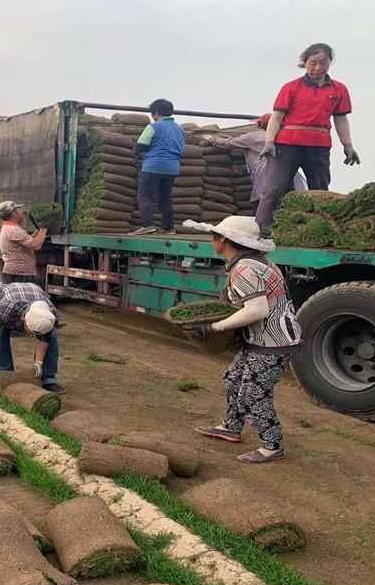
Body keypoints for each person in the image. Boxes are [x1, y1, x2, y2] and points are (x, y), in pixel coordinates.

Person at [182, 215, 302, 463]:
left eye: (214, 237)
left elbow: (257, 310)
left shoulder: (245, 268)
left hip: (274, 343)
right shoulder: (255, 262)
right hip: (261, 339)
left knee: (253, 395)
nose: (212, 241)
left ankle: (272, 446)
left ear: (224, 240)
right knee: (232, 380)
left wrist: (215, 327)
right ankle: (230, 427)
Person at [255, 42, 360, 237]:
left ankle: (322, 231)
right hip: (287, 145)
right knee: (274, 189)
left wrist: (348, 145)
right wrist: (269, 142)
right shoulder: (291, 87)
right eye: (313, 63)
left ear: (330, 63)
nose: (318, 68)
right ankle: (262, 229)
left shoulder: (339, 89)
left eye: (323, 63)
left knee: (320, 190)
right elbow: (276, 117)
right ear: (304, 63)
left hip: (319, 147)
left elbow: (341, 119)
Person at [203, 114, 307, 214]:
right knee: (291, 204)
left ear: (261, 124)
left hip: (266, 175)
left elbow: (229, 143)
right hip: (290, 174)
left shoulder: (254, 137)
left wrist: (211, 139)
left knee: (264, 205)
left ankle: (264, 228)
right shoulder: (283, 137)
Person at [0, 282, 65, 394]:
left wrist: (39, 363)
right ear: (24, 320)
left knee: (52, 337)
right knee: (0, 336)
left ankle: (49, 379)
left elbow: (45, 338)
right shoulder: (4, 311)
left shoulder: (51, 315)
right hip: (4, 296)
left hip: (35, 293)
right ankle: (4, 376)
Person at [129, 98, 185, 236]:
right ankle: (168, 227)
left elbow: (141, 145)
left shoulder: (154, 127)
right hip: (172, 168)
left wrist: (135, 151)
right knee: (164, 198)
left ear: (156, 113)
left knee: (144, 195)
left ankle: (147, 225)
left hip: (154, 166)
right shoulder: (180, 129)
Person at [0, 201, 47, 284]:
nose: (22, 211)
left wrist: (39, 229)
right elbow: (36, 245)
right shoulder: (14, 230)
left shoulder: (9, 227)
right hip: (19, 275)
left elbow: (28, 239)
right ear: (14, 214)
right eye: (19, 209)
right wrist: (44, 227)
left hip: (17, 274)